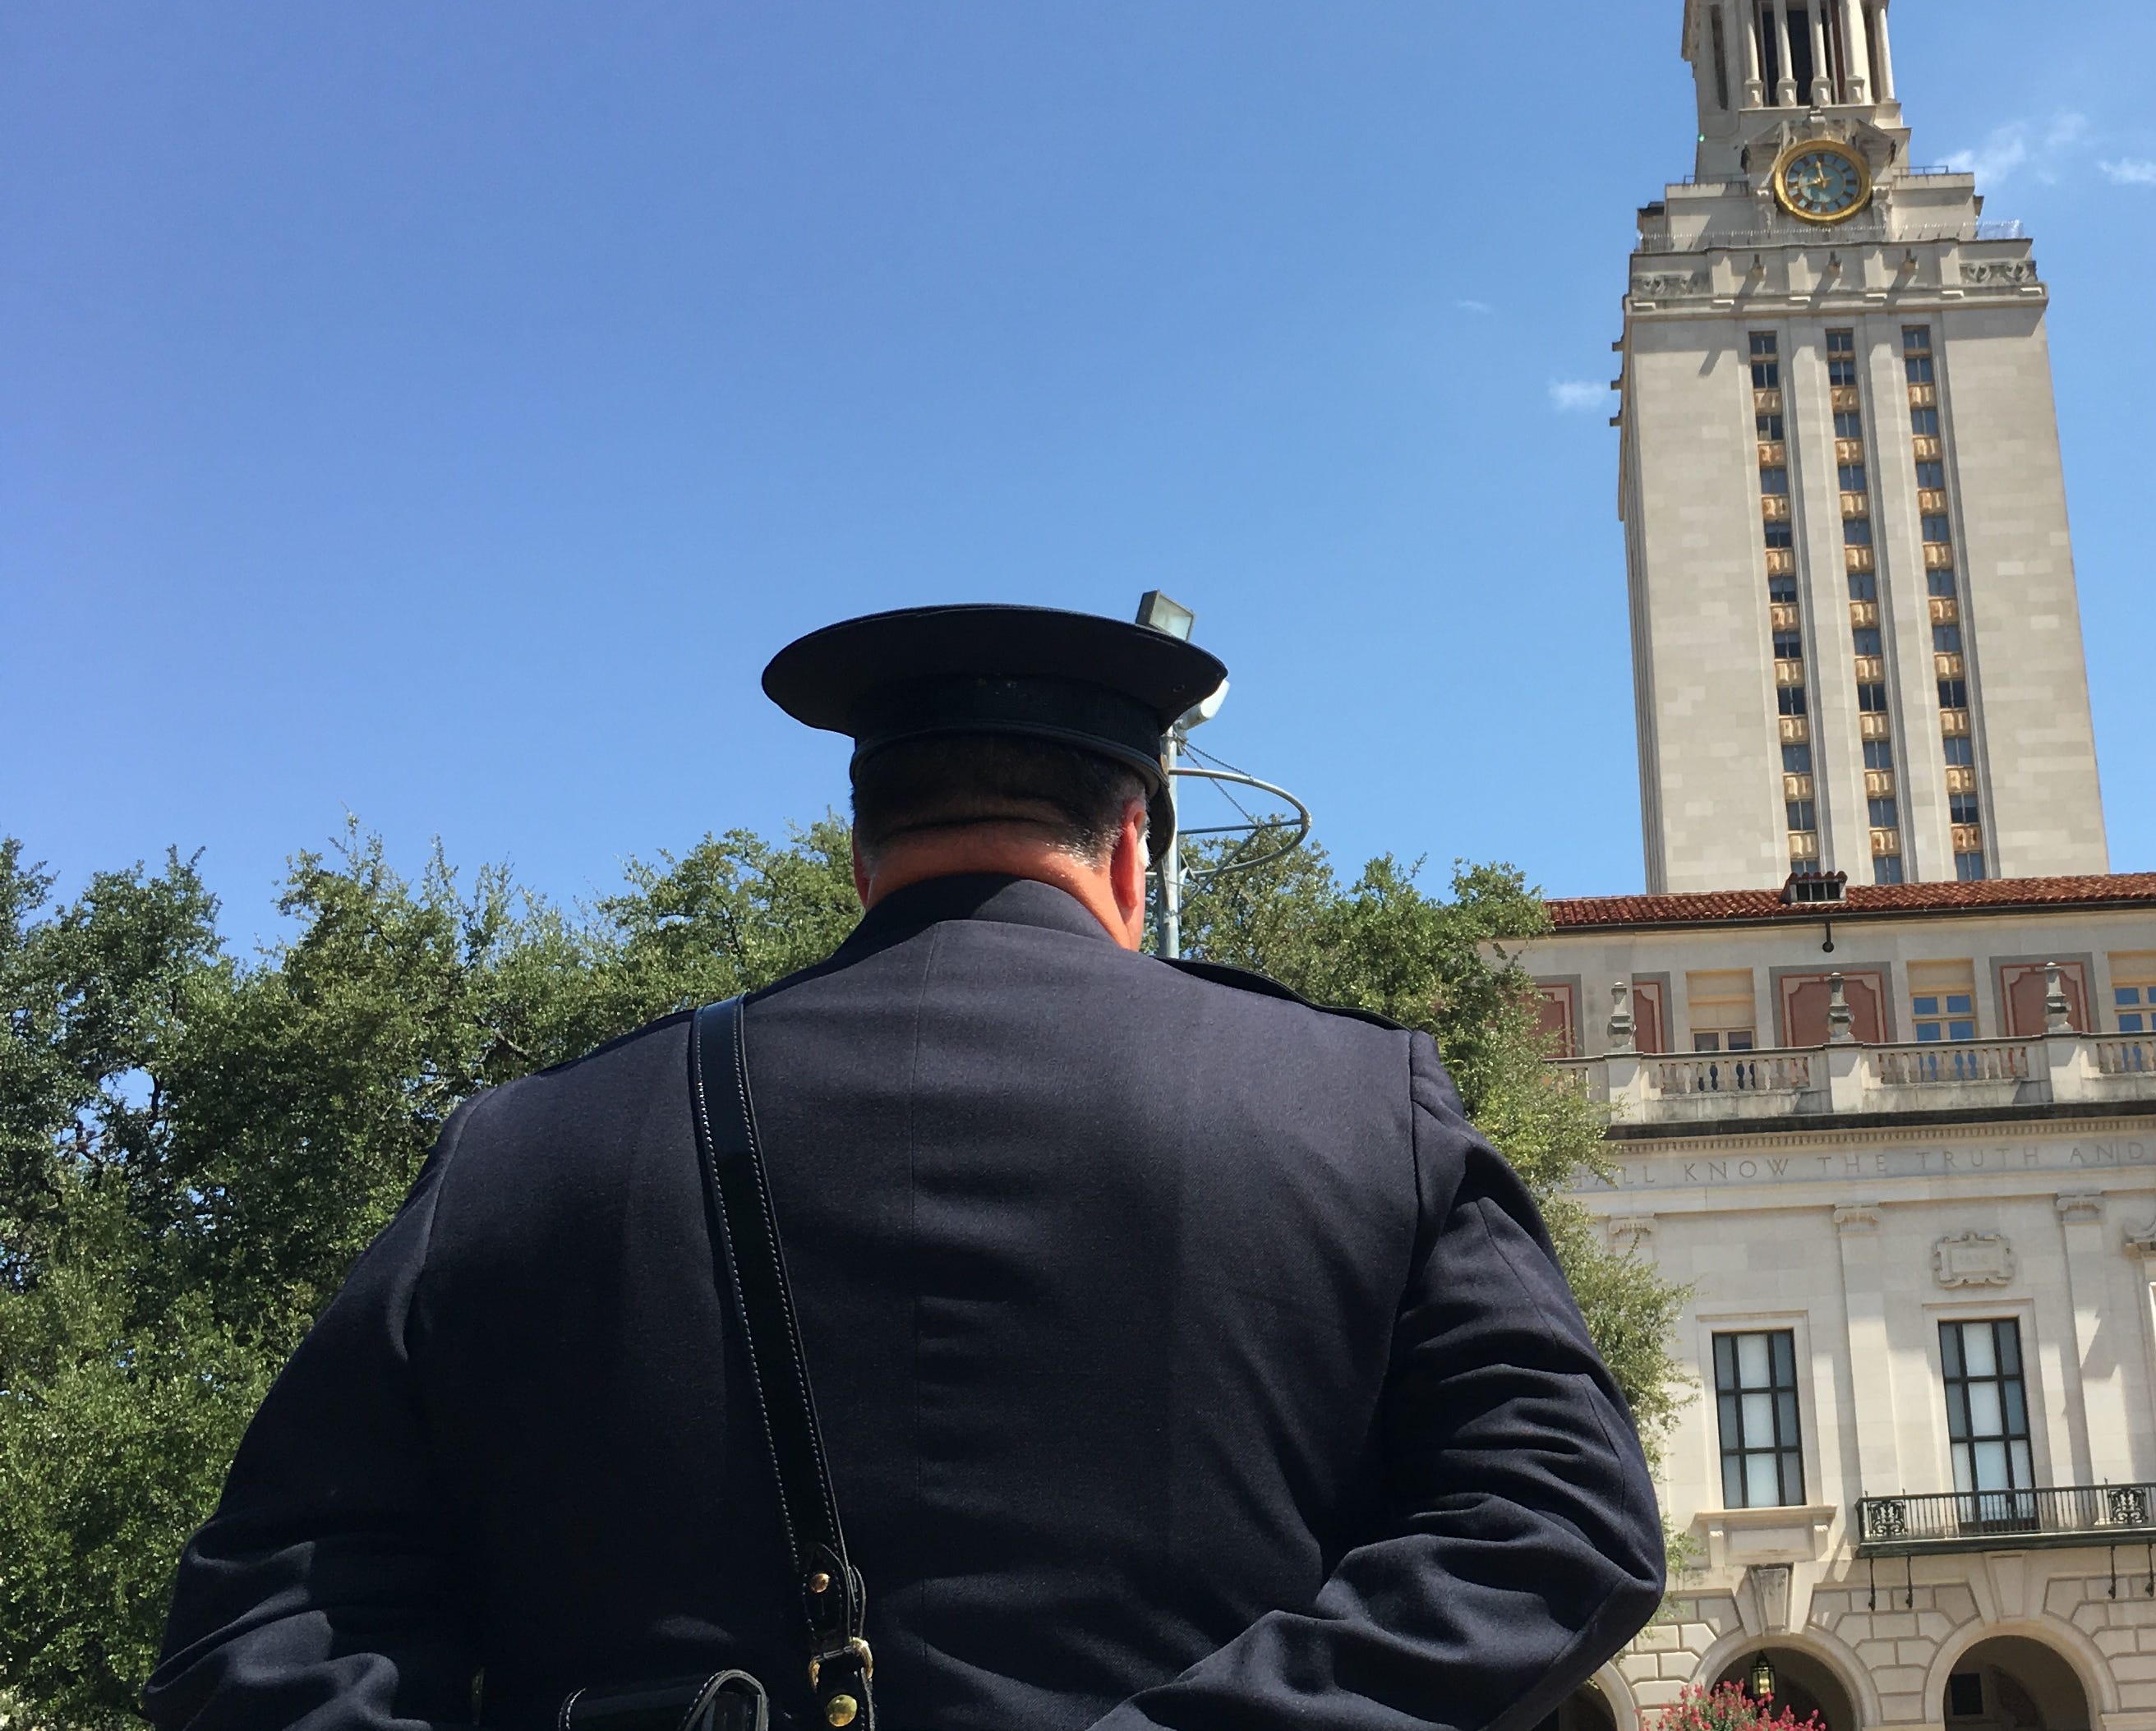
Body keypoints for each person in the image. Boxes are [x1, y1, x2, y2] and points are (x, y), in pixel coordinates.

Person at [146, 604, 1667, 1731]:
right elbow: (1560, 1529)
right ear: (1135, 848)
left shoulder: (526, 1149)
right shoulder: (1358, 1103)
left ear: (857, 848)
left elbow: (268, 1626)